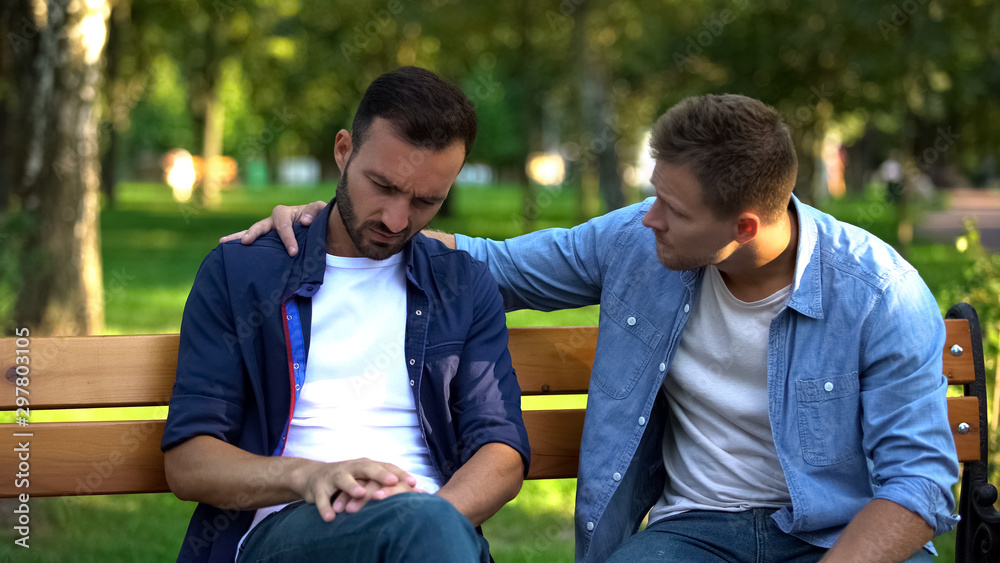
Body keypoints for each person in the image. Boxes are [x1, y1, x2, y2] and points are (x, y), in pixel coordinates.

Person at [230, 94, 959, 563]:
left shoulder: (880, 295)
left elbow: (922, 480)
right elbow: (494, 264)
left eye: (672, 209)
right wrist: (321, 221)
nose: (649, 220)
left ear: (741, 227)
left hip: (836, 537)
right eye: (653, 195)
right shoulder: (636, 243)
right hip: (693, 533)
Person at [162, 66, 530, 563]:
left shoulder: (464, 285)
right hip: (288, 528)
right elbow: (189, 463)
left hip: (435, 529)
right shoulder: (243, 273)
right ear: (343, 151)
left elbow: (501, 454)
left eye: (427, 201)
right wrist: (309, 475)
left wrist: (430, 524)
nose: (397, 220)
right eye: (382, 185)